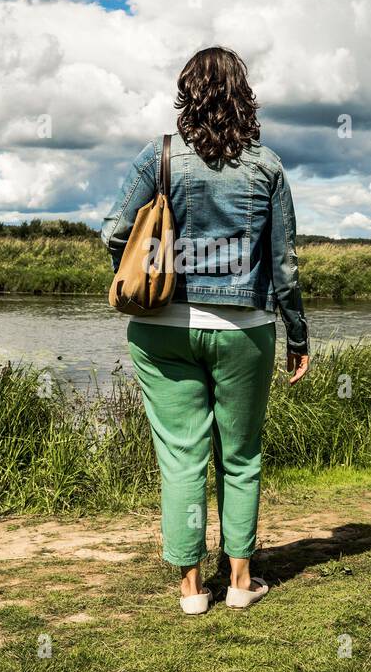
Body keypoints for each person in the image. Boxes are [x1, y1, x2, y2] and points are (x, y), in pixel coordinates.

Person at [101, 46, 310, 615]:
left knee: (182, 457)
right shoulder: (267, 165)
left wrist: (162, 262)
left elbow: (115, 233)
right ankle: (241, 580)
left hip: (162, 328)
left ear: (186, 95)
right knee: (240, 456)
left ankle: (192, 589)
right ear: (243, 95)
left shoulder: (159, 156)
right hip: (245, 329)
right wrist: (298, 335)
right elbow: (284, 263)